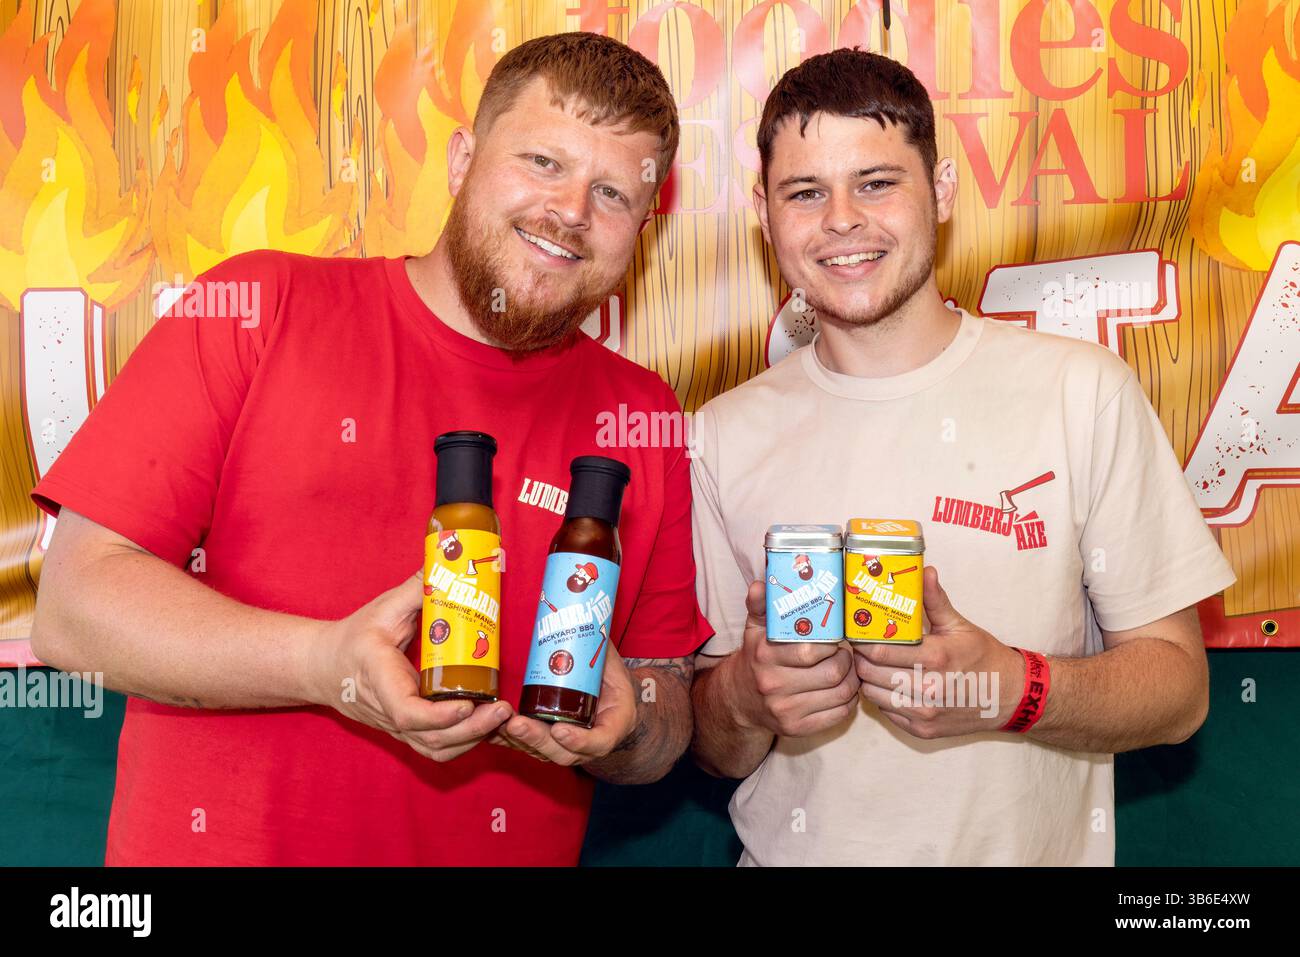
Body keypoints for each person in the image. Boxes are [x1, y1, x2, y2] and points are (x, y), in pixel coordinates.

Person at [30, 32, 711, 866]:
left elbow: (665, 699)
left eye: (611, 193)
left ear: (643, 224)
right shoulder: (258, 308)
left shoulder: (642, 417)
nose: (571, 210)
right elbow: (74, 609)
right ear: (461, 159)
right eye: (542, 162)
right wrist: (324, 663)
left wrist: (632, 725)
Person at [688, 48, 1235, 866]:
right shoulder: (721, 434)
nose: (842, 219)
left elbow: (1179, 693)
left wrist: (1012, 686)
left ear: (941, 191)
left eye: (876, 182)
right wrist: (741, 693)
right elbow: (714, 746)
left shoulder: (1080, 391)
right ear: (764, 216)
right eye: (805, 192)